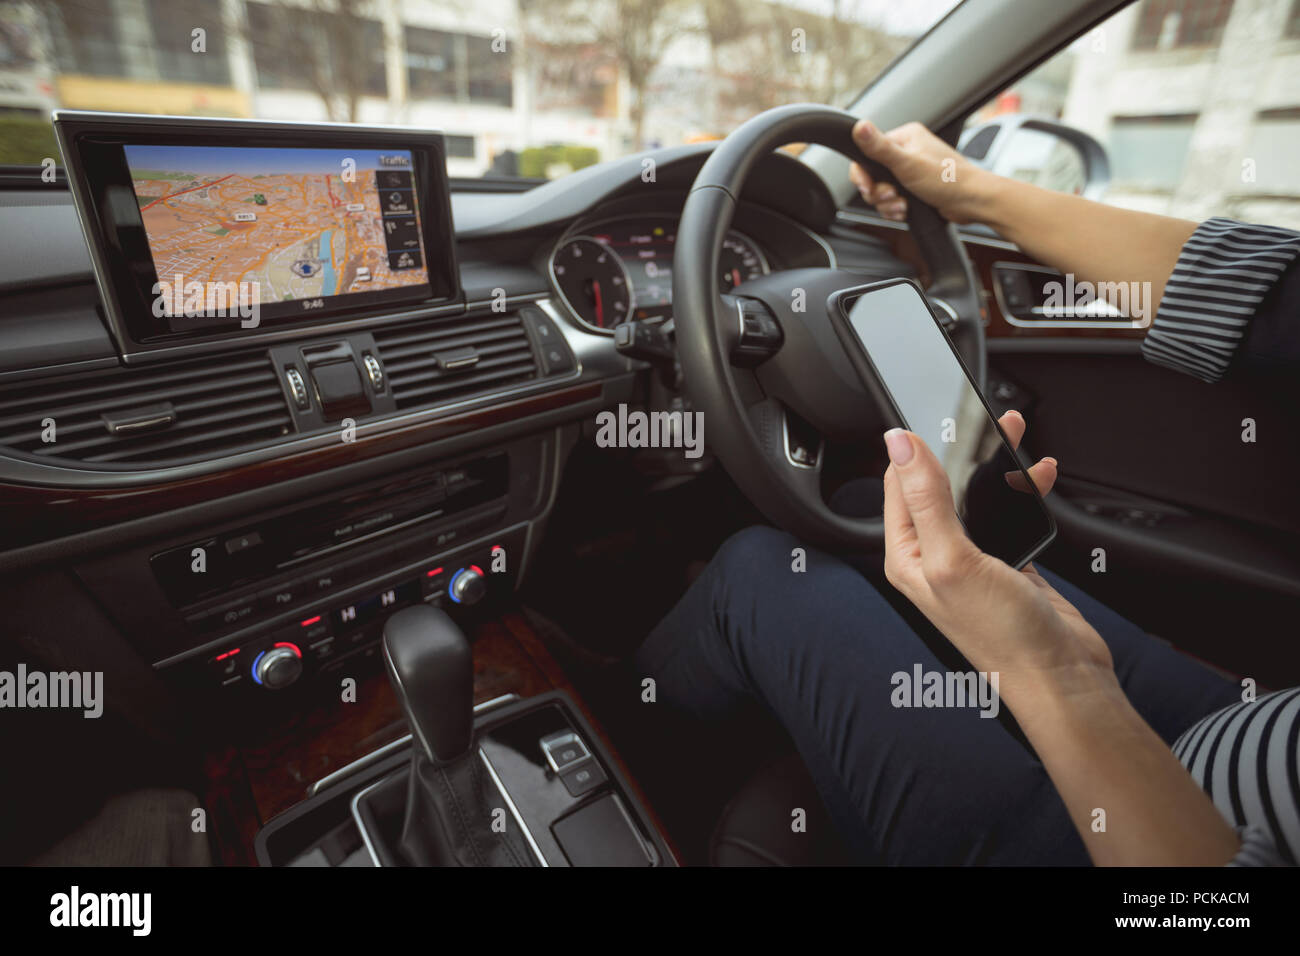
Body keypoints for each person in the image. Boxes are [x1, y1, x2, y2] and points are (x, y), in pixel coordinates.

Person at [635, 119, 1300, 866]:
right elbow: (1273, 299)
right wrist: (966, 188)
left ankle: (629, 750)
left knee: (756, 571)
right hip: (1249, 735)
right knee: (862, 509)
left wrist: (1060, 680)